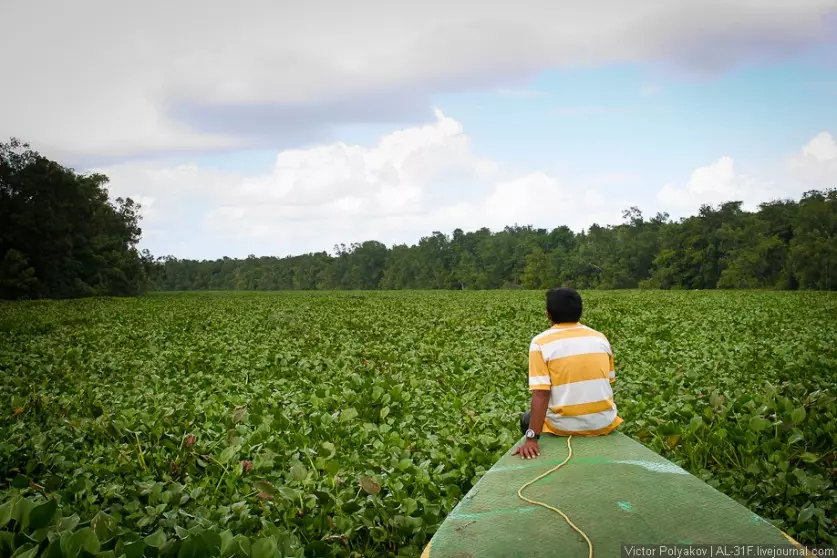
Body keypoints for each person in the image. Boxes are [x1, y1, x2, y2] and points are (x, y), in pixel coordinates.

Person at [513, 287, 622, 460]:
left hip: (562, 427)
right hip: (603, 423)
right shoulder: (600, 338)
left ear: (548, 314)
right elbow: (608, 380)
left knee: (527, 418)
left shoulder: (540, 343)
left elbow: (541, 394)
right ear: (580, 311)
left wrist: (531, 438)